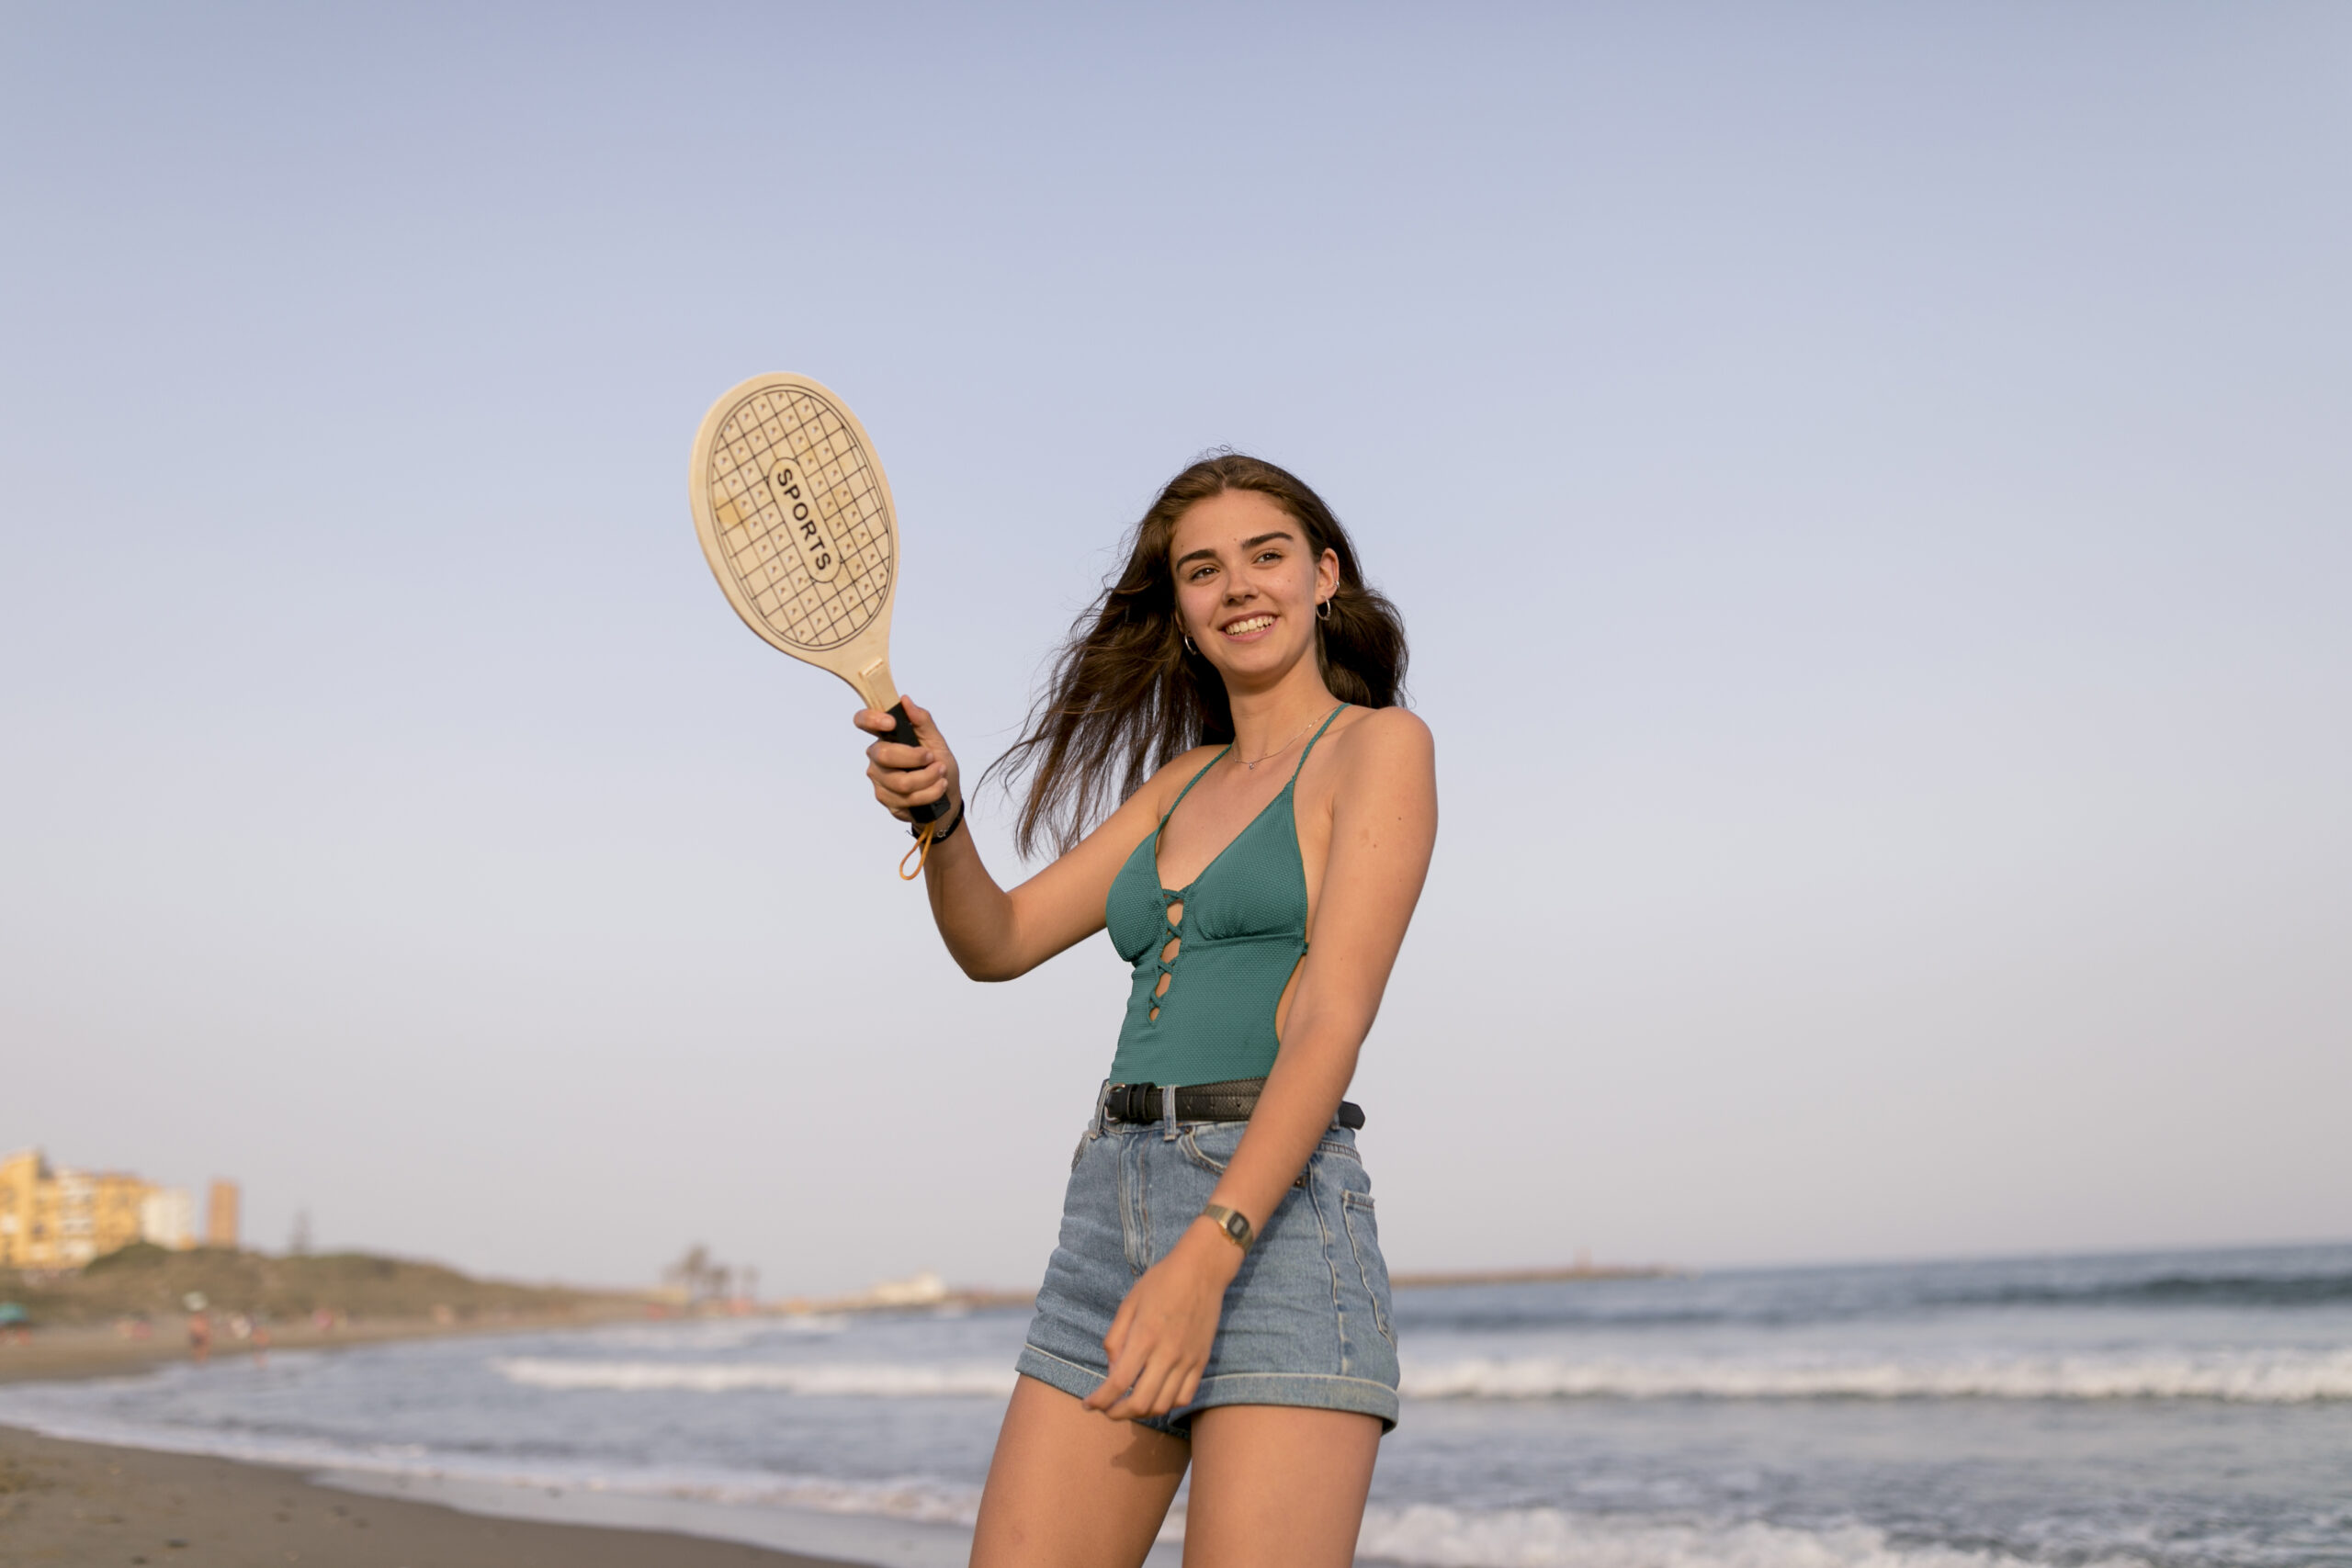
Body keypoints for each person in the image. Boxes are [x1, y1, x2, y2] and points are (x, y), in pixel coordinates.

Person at [854, 455, 1437, 1568]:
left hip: (1270, 1223)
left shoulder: (1380, 749)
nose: (1239, 588)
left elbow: (1328, 1019)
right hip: (1106, 1215)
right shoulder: (1178, 781)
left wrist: (1209, 1251)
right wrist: (940, 816)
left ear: (1323, 578)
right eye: (1203, 571)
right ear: (1180, 611)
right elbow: (1000, 940)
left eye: (1266, 556)